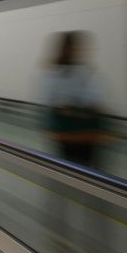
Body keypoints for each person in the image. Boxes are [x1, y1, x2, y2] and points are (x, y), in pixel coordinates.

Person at [43, 31, 103, 168]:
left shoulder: (84, 71)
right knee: (73, 167)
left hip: (86, 132)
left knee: (86, 168)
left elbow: (92, 99)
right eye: (71, 48)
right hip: (69, 132)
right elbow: (53, 100)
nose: (75, 51)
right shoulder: (56, 73)